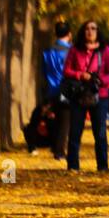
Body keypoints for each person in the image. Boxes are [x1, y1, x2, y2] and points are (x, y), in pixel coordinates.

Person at [62, 21, 108, 172]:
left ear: (98, 31)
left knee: (100, 133)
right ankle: (73, 166)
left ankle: (102, 166)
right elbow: (67, 70)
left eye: (93, 28)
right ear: (83, 31)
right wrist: (80, 75)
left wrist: (101, 81)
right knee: (75, 132)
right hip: (79, 95)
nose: (90, 31)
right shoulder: (75, 49)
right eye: (87, 29)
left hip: (99, 95)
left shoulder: (104, 50)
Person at [43, 22, 74, 160]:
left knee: (56, 119)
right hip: (65, 89)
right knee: (65, 122)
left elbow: (44, 71)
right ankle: (59, 151)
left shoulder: (47, 51)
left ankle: (54, 146)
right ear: (69, 34)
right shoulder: (71, 51)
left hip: (51, 88)